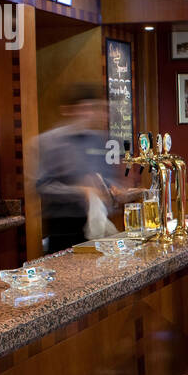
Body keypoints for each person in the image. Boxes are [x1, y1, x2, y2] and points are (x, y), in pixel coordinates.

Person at [36, 83, 133, 253]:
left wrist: (115, 190)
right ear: (68, 110)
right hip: (64, 229)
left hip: (99, 228)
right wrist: (81, 191)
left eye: (92, 108)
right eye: (83, 108)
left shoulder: (102, 140)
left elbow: (107, 179)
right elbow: (41, 187)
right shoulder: (49, 142)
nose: (88, 114)